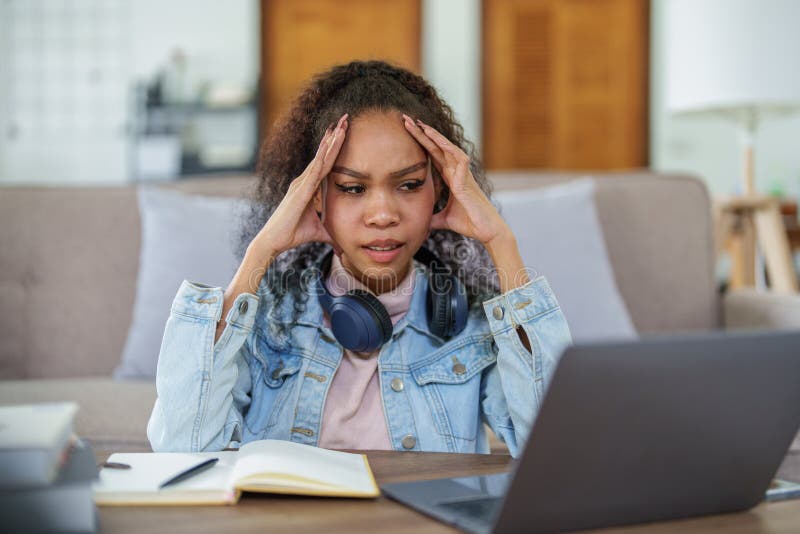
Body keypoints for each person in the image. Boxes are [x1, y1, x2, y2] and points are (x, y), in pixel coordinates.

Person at [147, 60, 572, 457]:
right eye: (352, 188)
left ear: (439, 191)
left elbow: (557, 456)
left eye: (408, 185)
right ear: (316, 195)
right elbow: (181, 450)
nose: (383, 214)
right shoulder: (267, 319)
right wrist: (261, 253)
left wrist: (500, 241)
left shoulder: (473, 325)